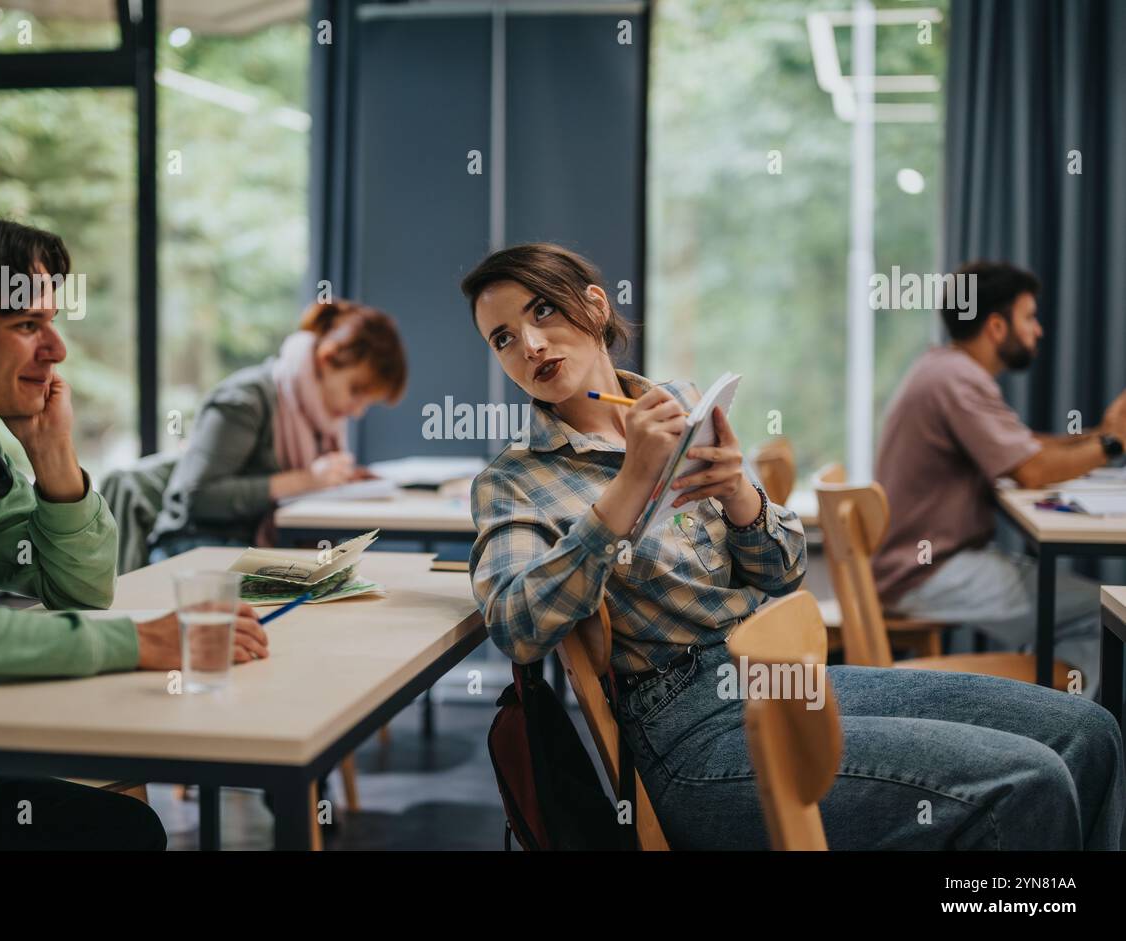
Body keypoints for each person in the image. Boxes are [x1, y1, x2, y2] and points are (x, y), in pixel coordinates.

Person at [462, 242, 1123, 849]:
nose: (530, 343)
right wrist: (628, 488)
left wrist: (742, 499)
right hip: (688, 735)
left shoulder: (682, 405)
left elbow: (784, 573)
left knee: (1091, 733)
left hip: (780, 678)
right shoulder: (515, 480)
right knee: (1028, 781)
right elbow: (517, 628)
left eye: (543, 310)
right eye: (502, 338)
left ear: (596, 305)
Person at [0, 209, 269, 850]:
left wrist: (54, 460)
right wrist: (137, 644)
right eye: (26, 325)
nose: (57, 349)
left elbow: (81, 589)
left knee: (122, 832)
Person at [873, 261, 1126, 697]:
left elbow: (1025, 446)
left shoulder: (944, 368)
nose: (1039, 331)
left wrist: (1102, 436)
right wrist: (1114, 446)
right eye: (1029, 317)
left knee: (1074, 614)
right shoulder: (958, 379)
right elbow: (1031, 471)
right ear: (995, 326)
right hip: (925, 573)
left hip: (918, 566)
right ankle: (1063, 737)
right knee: (1103, 613)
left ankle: (1040, 718)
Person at [147, 300, 406, 560]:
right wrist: (306, 480)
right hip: (196, 550)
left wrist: (337, 480)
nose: (357, 411)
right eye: (356, 392)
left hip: (256, 552)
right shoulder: (244, 401)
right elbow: (196, 497)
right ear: (326, 358)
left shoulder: (317, 418)